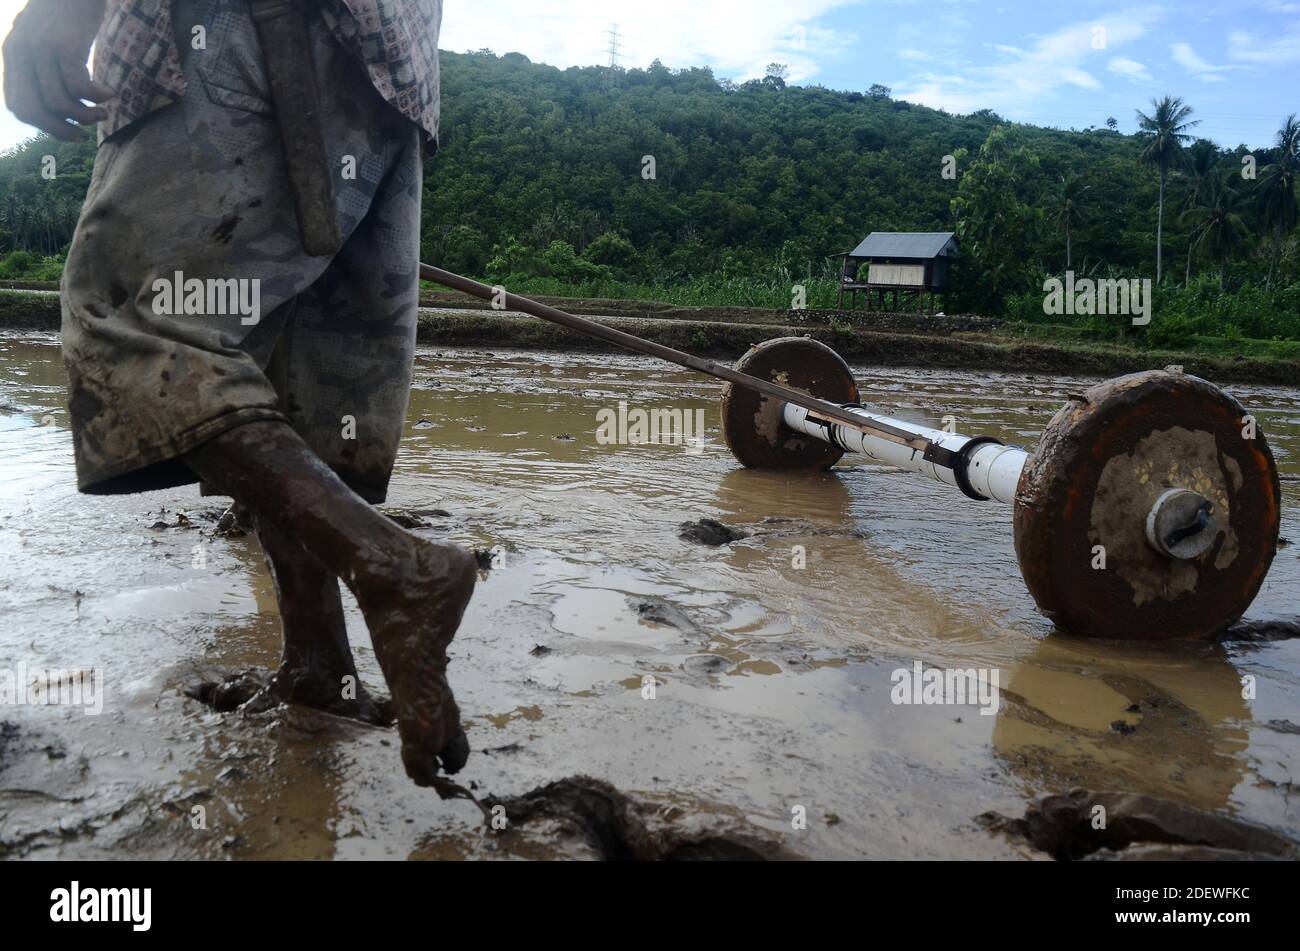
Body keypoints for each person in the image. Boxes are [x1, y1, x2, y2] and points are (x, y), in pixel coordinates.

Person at [2, 0, 475, 786]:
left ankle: (393, 569)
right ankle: (320, 663)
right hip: (390, 64)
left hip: (240, 29)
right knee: (301, 374)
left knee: (136, 319)